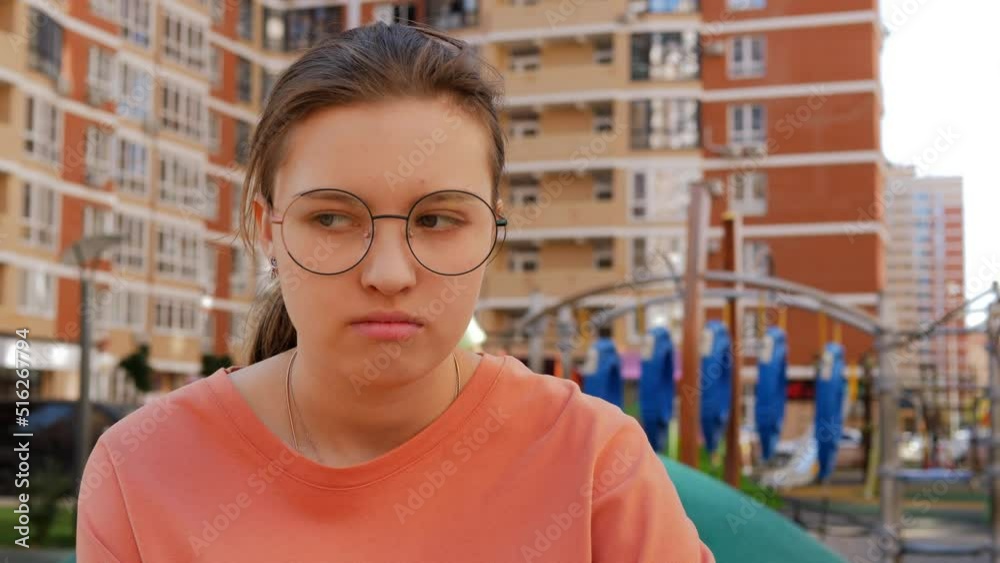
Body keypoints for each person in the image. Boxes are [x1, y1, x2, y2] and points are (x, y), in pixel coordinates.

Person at [76, 22, 713, 562]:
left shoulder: (593, 462)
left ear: (493, 225)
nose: (389, 272)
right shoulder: (141, 470)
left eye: (437, 220)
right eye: (330, 218)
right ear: (269, 228)